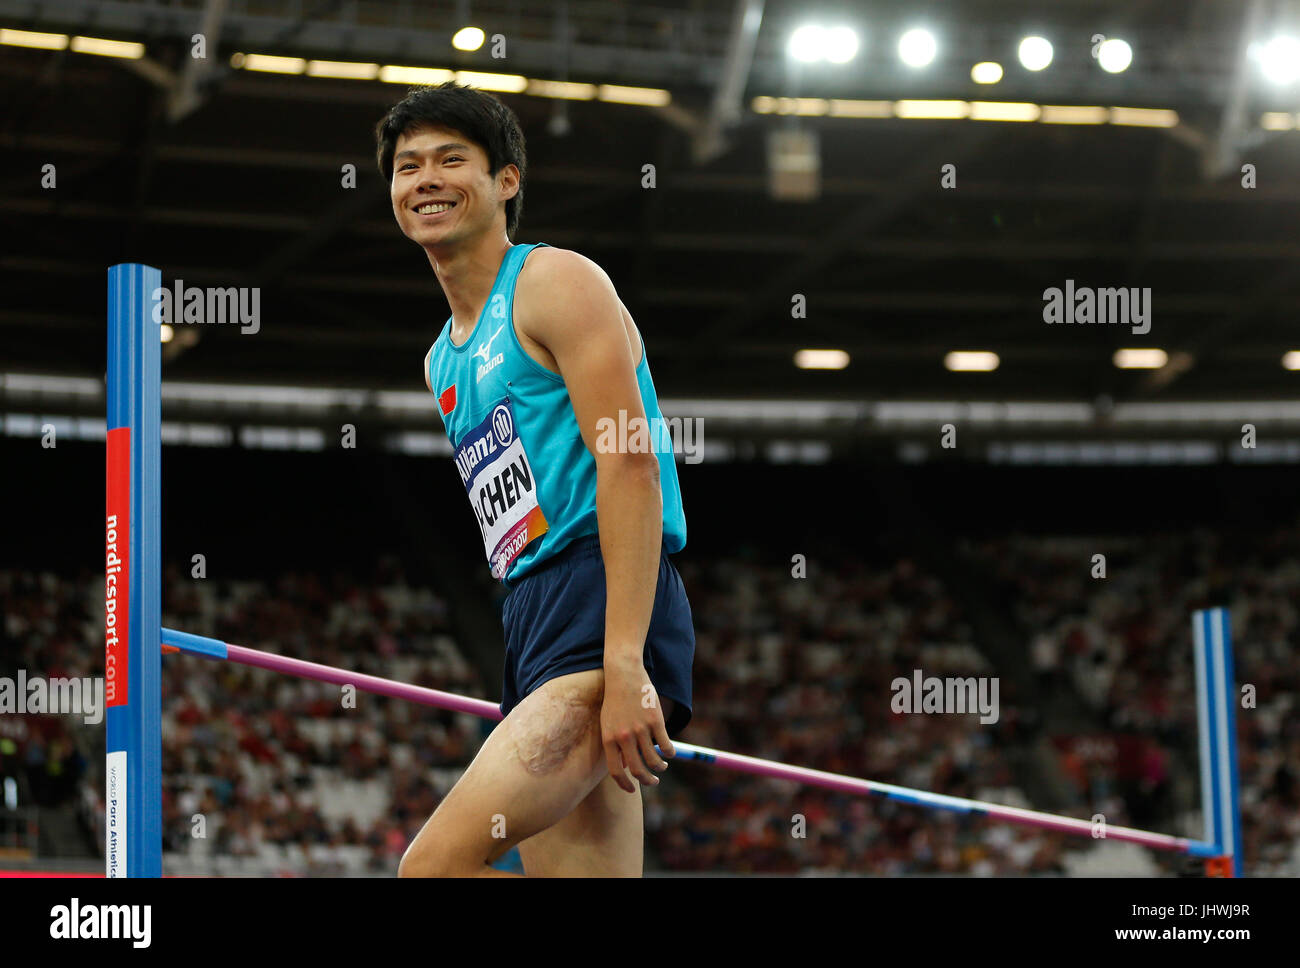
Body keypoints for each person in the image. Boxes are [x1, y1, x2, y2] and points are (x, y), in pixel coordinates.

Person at [374, 82, 694, 877]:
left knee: (429, 871)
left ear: (506, 181)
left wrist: (624, 662)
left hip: (601, 607)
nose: (426, 180)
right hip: (531, 615)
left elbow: (627, 461)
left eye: (453, 160)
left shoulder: (554, 282)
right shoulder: (438, 358)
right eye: (408, 167)